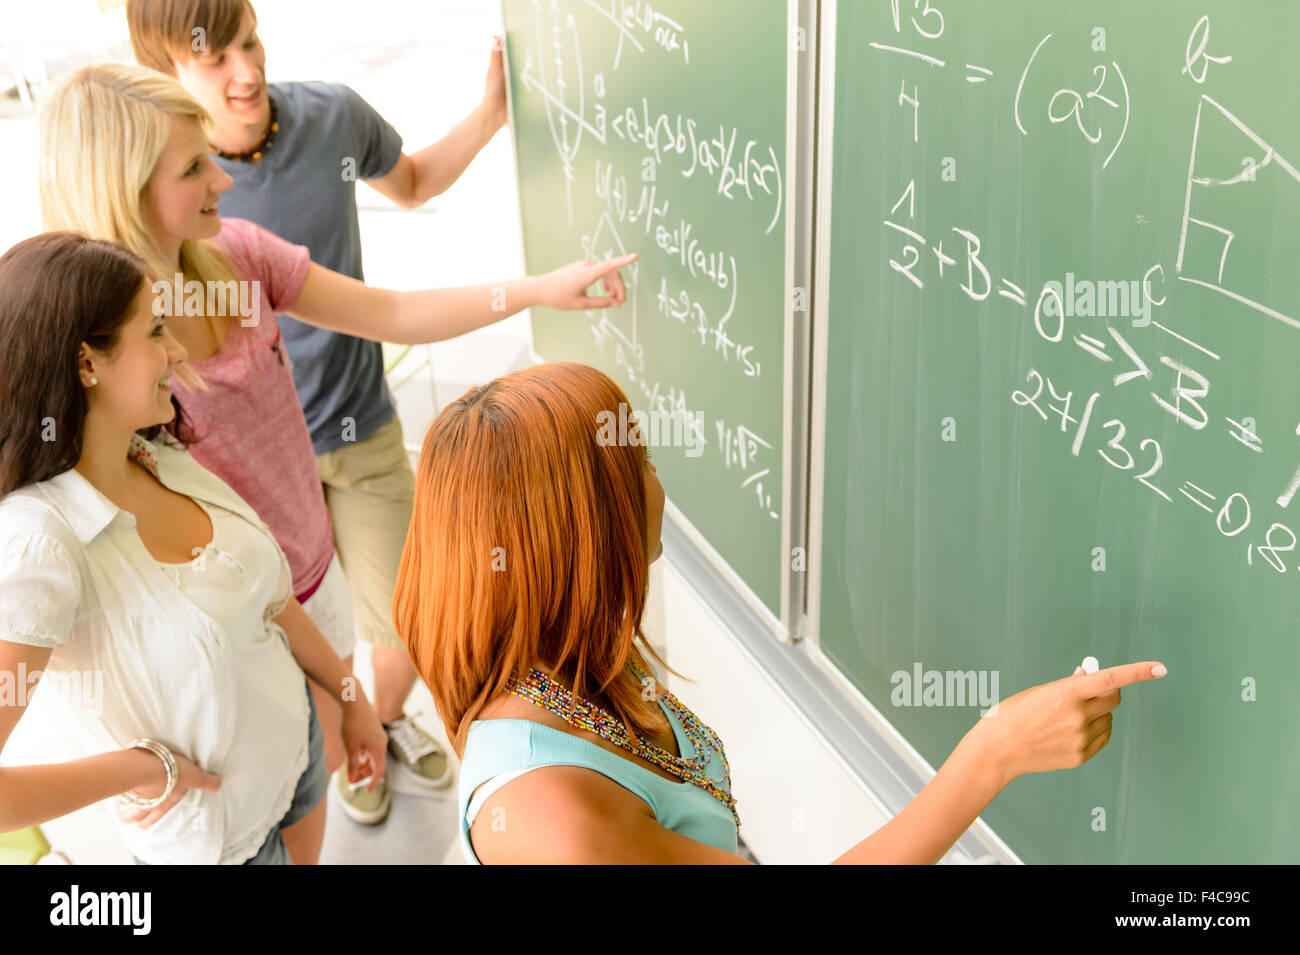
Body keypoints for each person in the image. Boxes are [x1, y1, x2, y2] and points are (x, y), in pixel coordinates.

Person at [37, 62, 634, 824]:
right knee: (266, 801)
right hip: (230, 628)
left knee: (319, 769)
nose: (223, 177)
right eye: (193, 167)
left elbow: (388, 310)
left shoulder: (238, 257)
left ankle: (366, 739)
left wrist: (535, 289)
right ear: (124, 190)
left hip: (310, 585)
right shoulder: (98, 355)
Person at [391, 362, 1169, 864]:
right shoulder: (552, 820)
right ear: (587, 532)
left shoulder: (568, 658)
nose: (662, 482)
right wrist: (992, 752)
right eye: (643, 466)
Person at [125, 0, 513, 819]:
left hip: (359, 425)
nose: (247, 71)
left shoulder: (330, 116)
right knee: (303, 640)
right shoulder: (163, 221)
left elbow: (410, 188)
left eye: (250, 42)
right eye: (215, 59)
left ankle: (380, 721)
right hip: (253, 476)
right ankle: (345, 742)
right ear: (167, 80)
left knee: (406, 612)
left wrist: (489, 117)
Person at [0, 231, 390, 865]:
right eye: (155, 331)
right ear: (85, 363)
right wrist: (141, 768)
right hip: (220, 843)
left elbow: (269, 599)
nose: (179, 350)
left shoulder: (155, 451)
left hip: (298, 756)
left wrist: (353, 699)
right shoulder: (39, 545)